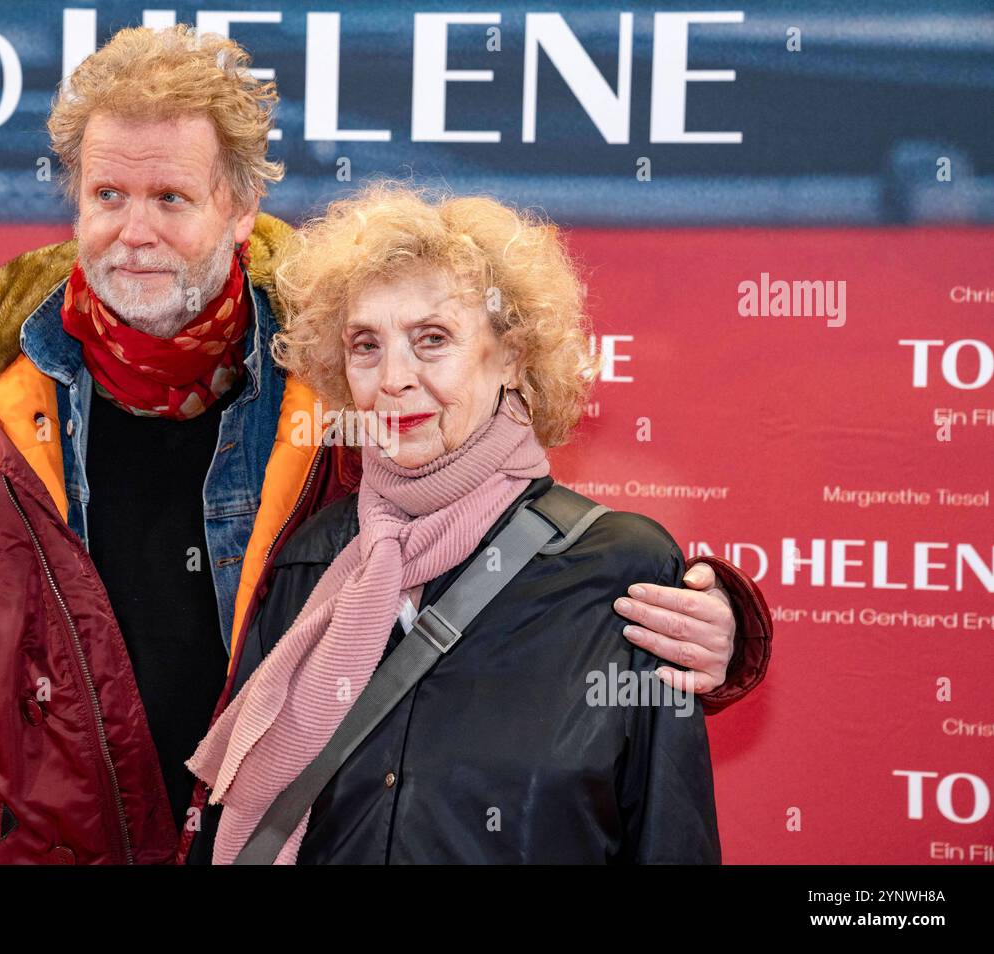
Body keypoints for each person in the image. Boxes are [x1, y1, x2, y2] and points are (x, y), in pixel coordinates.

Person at [0, 25, 769, 865]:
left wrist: (720, 631)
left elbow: (507, 557)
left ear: (241, 207)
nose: (133, 233)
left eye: (172, 196)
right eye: (107, 195)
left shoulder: (330, 376)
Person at [187, 183, 724, 863]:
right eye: (365, 345)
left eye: (432, 339)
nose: (394, 378)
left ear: (511, 355)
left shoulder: (619, 569)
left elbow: (670, 840)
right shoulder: (313, 559)